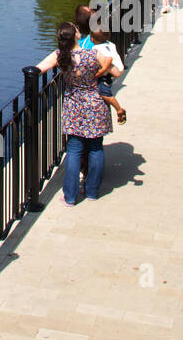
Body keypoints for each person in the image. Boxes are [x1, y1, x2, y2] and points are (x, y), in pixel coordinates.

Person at [36, 22, 112, 205]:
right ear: (77, 35)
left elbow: (39, 69)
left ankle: (70, 196)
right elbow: (111, 66)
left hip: (74, 105)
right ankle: (92, 191)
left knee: (74, 150)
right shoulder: (93, 54)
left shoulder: (61, 56)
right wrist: (98, 73)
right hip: (95, 103)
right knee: (95, 147)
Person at [76, 14, 127, 124]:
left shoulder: (97, 48)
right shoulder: (109, 44)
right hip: (116, 69)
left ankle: (119, 110)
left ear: (92, 39)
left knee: (105, 94)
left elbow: (108, 59)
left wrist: (101, 71)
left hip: (108, 73)